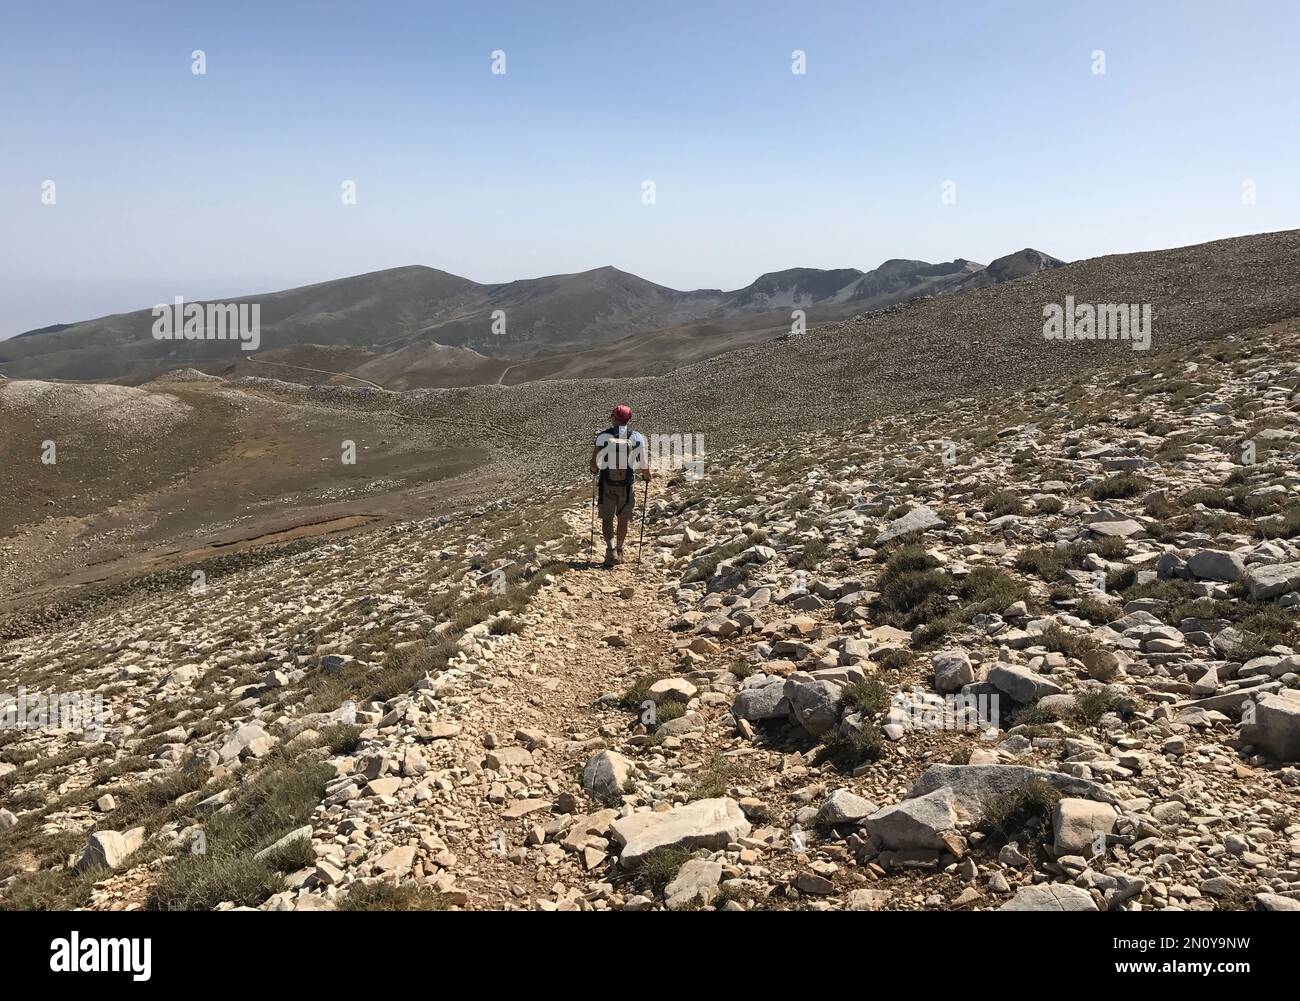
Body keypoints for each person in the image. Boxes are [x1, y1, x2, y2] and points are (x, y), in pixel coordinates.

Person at [590, 404, 651, 568]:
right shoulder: (637, 437)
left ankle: (611, 552)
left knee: (607, 518)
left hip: (606, 484)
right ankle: (620, 549)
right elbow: (643, 462)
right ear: (628, 419)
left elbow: (594, 462)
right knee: (623, 519)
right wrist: (647, 476)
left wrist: (593, 470)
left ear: (614, 418)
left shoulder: (603, 436)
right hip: (626, 484)